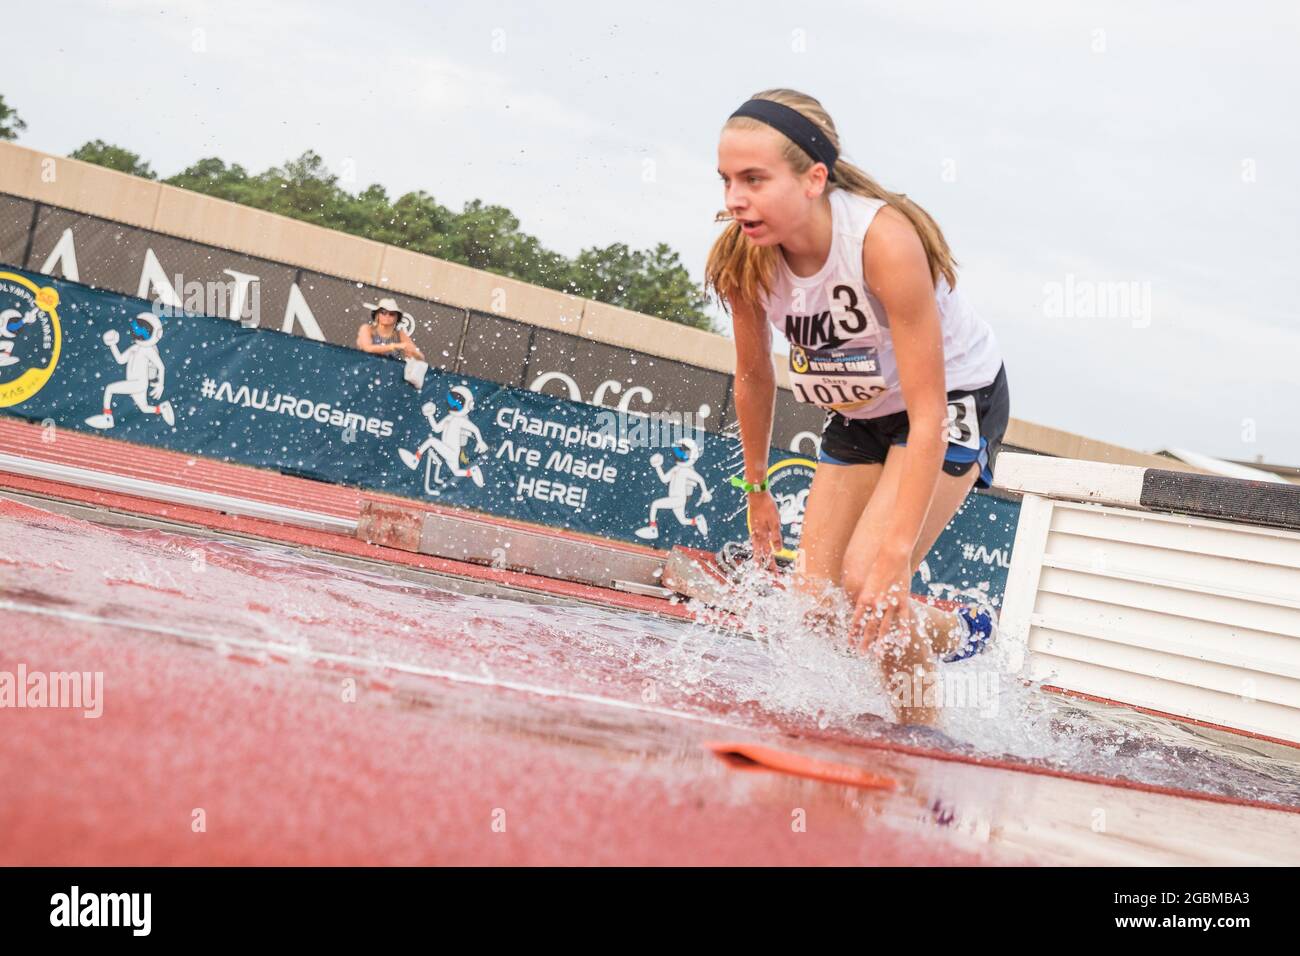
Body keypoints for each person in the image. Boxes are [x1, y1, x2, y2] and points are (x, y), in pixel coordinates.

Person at [704, 89, 1012, 727]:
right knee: (815, 604)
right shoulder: (743, 258)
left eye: (754, 180)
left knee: (869, 584)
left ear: (814, 178)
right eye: (728, 180)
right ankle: (953, 630)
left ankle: (920, 739)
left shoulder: (883, 241)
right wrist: (756, 485)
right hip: (861, 408)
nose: (735, 199)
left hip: (952, 401)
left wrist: (896, 559)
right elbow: (754, 376)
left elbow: (929, 415)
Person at [356, 297, 425, 362]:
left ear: (397, 318)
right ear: (377, 315)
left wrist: (413, 353)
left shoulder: (399, 334)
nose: (387, 316)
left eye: (391, 314)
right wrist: (394, 346)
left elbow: (420, 357)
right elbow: (367, 348)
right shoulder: (367, 328)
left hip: (388, 371)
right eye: (383, 312)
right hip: (366, 368)